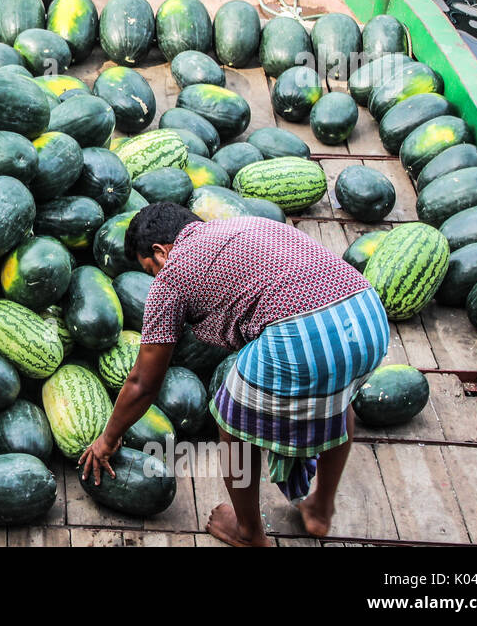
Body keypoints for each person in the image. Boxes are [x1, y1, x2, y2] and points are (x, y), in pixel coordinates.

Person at [77, 203, 390, 546]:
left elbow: (143, 383)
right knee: (339, 397)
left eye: (150, 269)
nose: (154, 278)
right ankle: (320, 506)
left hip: (303, 338)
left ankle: (249, 533)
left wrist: (107, 439)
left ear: (160, 251)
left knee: (231, 423)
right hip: (366, 315)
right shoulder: (243, 225)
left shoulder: (172, 276)